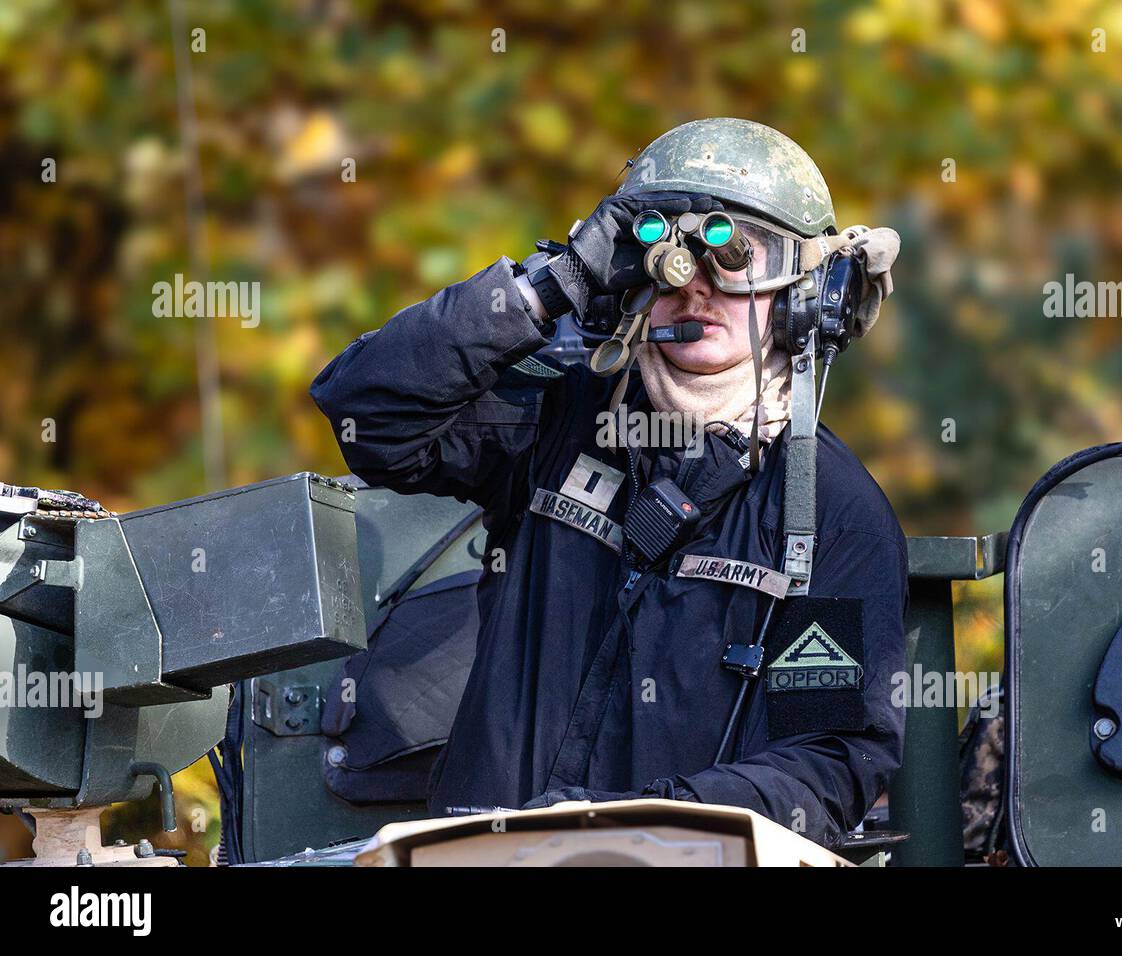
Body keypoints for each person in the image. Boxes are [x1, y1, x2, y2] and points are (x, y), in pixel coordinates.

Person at [310, 117, 906, 848]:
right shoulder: (554, 420)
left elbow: (830, 761)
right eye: (663, 256)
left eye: (739, 255)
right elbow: (366, 416)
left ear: (808, 296)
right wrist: (546, 289)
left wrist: (630, 829)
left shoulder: (830, 513)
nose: (697, 288)